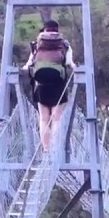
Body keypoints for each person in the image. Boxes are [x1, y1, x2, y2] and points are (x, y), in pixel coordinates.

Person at [24, 19, 76, 151]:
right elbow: (70, 63)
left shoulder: (37, 44)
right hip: (58, 83)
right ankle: (55, 150)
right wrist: (76, 68)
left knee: (43, 119)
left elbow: (29, 64)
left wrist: (25, 69)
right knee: (56, 119)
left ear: (45, 30)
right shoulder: (65, 44)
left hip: (41, 84)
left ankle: (46, 149)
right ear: (57, 30)